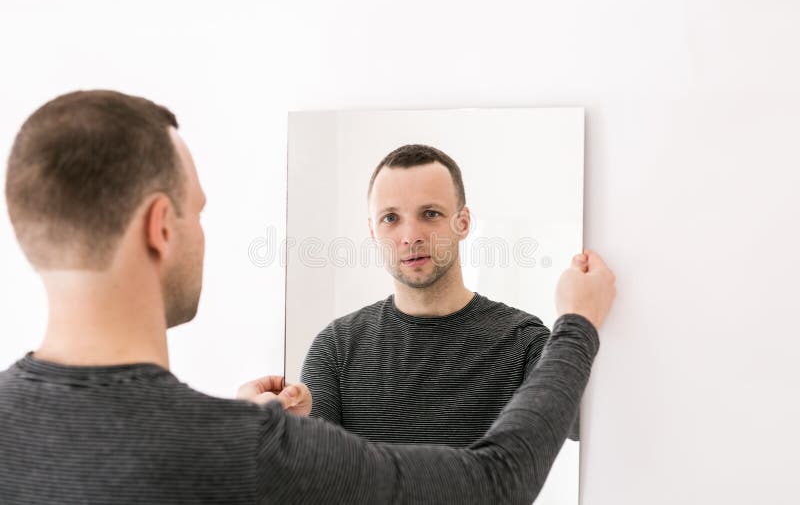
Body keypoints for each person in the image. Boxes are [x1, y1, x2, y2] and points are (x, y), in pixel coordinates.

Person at [0, 90, 615, 505]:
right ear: (162, 226)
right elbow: (497, 482)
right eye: (198, 213)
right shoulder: (246, 448)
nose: (411, 235)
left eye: (429, 213)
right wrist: (580, 322)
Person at [299, 144, 580, 446]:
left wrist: (577, 319)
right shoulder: (336, 348)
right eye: (391, 218)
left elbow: (588, 426)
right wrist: (266, 432)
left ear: (463, 223)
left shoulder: (523, 342)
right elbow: (309, 478)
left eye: (430, 214)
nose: (410, 236)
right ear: (372, 231)